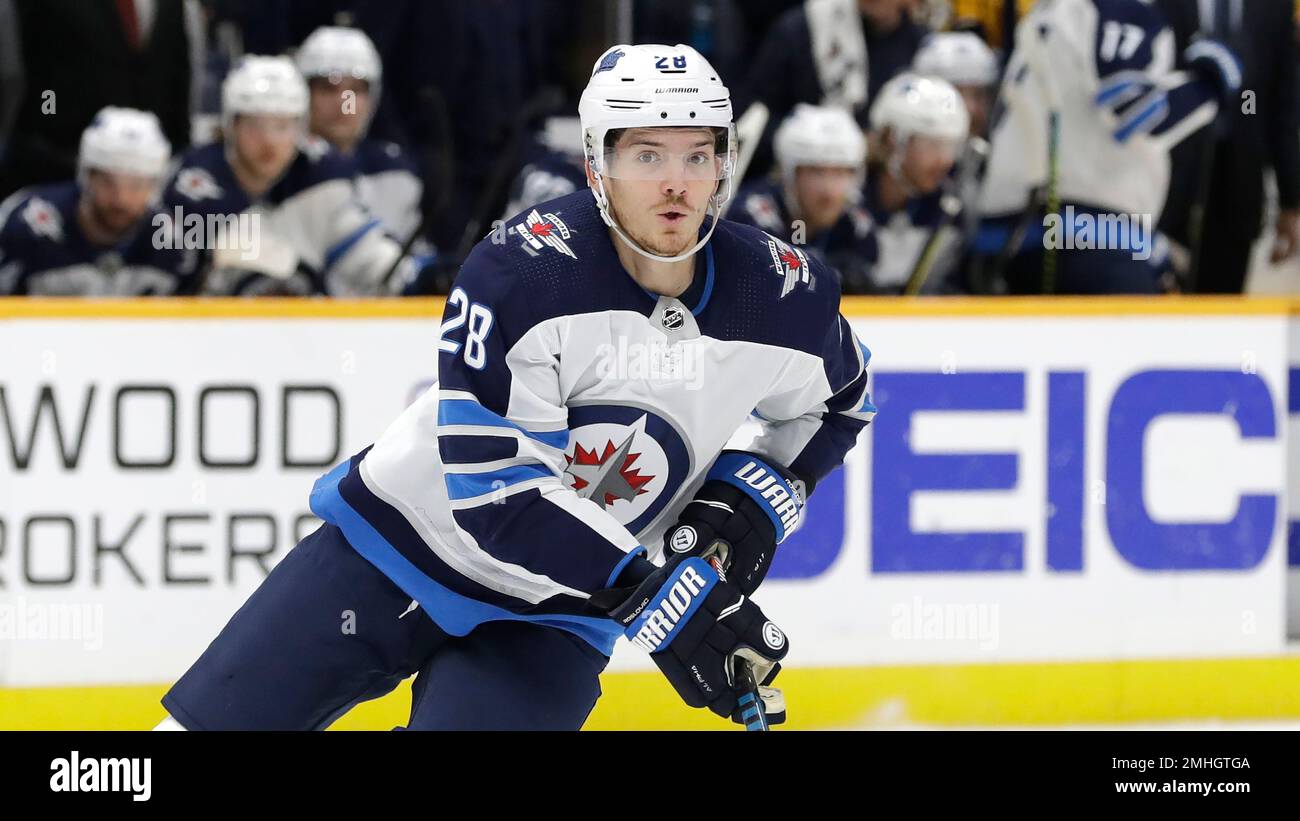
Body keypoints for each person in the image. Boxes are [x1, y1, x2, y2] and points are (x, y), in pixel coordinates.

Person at [156, 43, 876, 731]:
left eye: (698, 154)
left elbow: (845, 401)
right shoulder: (523, 273)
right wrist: (653, 594)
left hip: (558, 612)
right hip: (400, 546)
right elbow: (499, 497)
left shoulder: (785, 294)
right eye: (646, 154)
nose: (676, 183)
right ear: (597, 164)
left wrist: (765, 488)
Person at [971, 0, 1241, 294]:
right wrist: (1208, 83)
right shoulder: (1119, 8)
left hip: (1006, 240)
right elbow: (1133, 111)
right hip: (1086, 242)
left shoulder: (1049, 11)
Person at [163, 56, 417, 296]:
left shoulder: (320, 175)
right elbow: (169, 272)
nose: (269, 142)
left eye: (282, 127)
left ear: (301, 128)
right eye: (255, 125)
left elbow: (363, 250)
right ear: (232, 126)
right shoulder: (195, 182)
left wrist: (411, 275)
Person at [0, 106, 199, 295]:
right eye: (107, 182)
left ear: (155, 187)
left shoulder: (174, 243)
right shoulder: (26, 225)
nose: (121, 199)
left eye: (136, 186)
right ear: (86, 177)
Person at [296, 25, 425, 251]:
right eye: (328, 88)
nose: (343, 103)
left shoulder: (395, 171)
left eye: (355, 90)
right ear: (302, 93)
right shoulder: (281, 172)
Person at [730, 103, 880, 294]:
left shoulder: (857, 224)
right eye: (816, 172)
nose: (829, 191)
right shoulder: (751, 218)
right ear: (790, 174)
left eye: (840, 173)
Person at [863, 72, 970, 292]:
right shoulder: (848, 202)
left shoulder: (949, 209)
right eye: (931, 145)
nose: (944, 160)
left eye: (950, 146)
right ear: (891, 139)